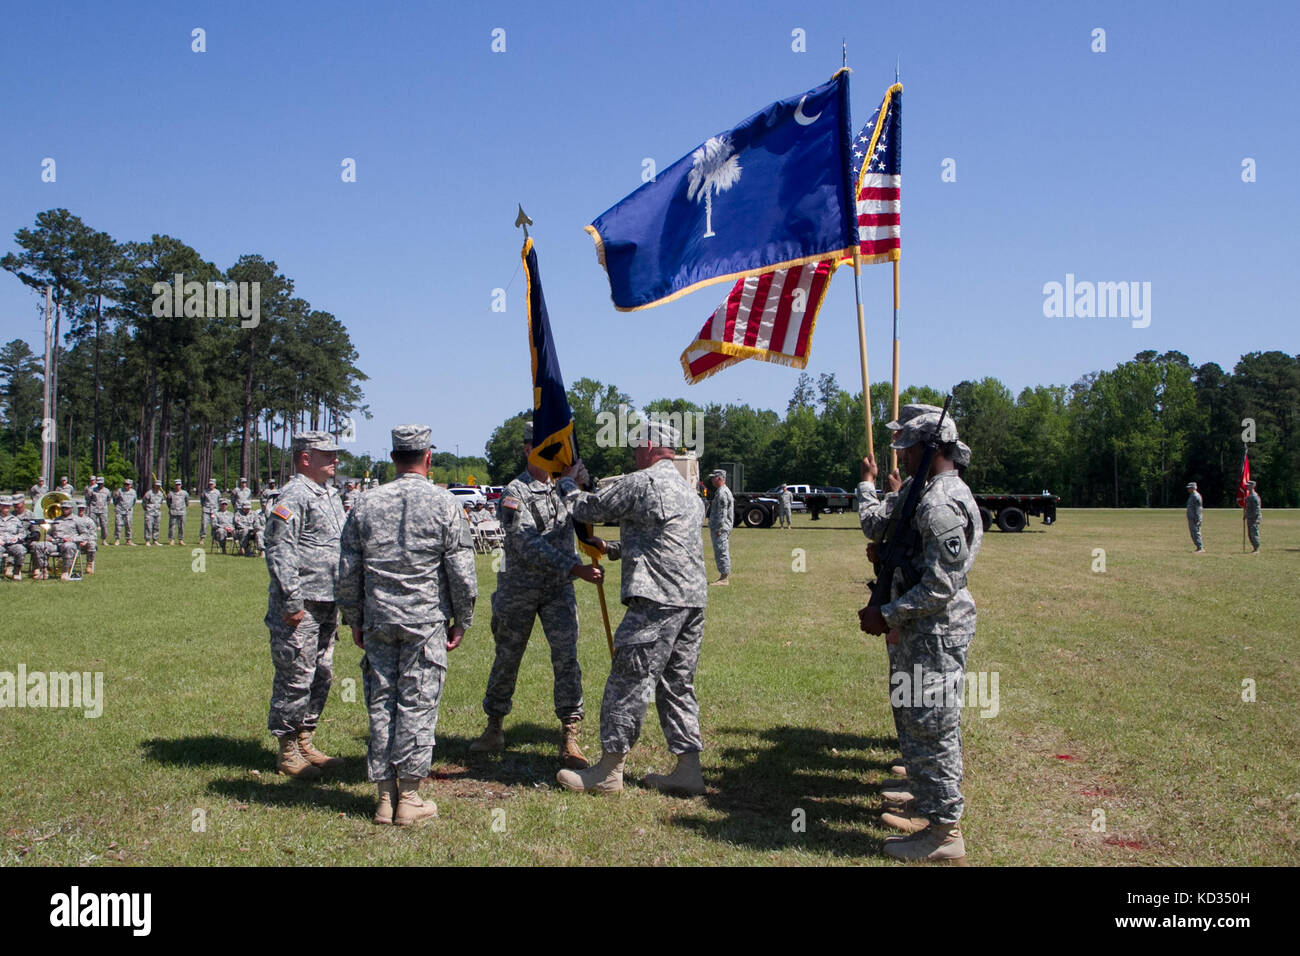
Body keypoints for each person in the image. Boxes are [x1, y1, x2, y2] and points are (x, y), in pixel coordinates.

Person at [552, 421, 709, 796]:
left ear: (652, 445)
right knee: (676, 685)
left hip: (656, 602)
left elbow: (590, 508)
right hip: (691, 603)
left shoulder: (645, 482)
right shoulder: (689, 493)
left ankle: (608, 772)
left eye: (638, 445)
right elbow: (662, 540)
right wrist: (614, 549)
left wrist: (568, 482)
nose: (633, 452)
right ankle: (689, 769)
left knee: (628, 680)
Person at [856, 409, 982, 864]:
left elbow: (941, 586)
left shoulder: (940, 502)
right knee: (919, 721)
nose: (902, 456)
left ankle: (946, 831)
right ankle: (929, 805)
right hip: (921, 631)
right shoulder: (927, 493)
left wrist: (887, 614)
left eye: (908, 448)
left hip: (934, 632)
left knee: (934, 727)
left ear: (930, 449)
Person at [338, 424, 478, 826]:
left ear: (393, 457)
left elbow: (347, 569)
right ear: (428, 458)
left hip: (380, 619)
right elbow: (462, 573)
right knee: (416, 704)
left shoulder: (365, 503)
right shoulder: (444, 504)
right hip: (424, 621)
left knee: (382, 705)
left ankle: (385, 798)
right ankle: (409, 798)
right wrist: (462, 621)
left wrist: (354, 618)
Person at [468, 421, 614, 769]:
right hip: (519, 588)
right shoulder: (513, 492)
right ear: (526, 449)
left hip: (557, 591)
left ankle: (570, 734)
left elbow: (593, 511)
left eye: (556, 447)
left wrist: (581, 485)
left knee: (566, 659)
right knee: (508, 657)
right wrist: (574, 568)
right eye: (544, 446)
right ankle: (495, 725)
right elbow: (526, 542)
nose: (552, 453)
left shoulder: (565, 488)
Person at [263, 431, 347, 779]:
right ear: (304, 458)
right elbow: (280, 549)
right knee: (295, 675)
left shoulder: (329, 494)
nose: (335, 461)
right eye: (326, 455)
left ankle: (305, 738)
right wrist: (292, 599)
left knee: (321, 674)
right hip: (301, 605)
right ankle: (287, 750)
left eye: (335, 455)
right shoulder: (294, 494)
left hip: (328, 600)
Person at [13, 497, 51, 579]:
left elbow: (36, 532)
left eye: (17, 504)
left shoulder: (30, 515)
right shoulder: (12, 515)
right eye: (14, 504)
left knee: (35, 545)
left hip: (28, 540)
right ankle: (11, 567)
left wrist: (28, 539)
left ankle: (36, 568)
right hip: (14, 540)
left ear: (23, 503)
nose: (16, 506)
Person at [707, 468, 733, 586]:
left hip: (720, 528)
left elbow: (722, 512)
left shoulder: (722, 492)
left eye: (713, 477)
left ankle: (724, 578)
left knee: (721, 550)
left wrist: (719, 528)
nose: (712, 480)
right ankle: (723, 576)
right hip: (719, 527)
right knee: (720, 550)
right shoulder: (721, 491)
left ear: (719, 478)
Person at [49, 499, 82, 580]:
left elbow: (85, 535)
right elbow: (48, 533)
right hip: (55, 543)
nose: (64, 510)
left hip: (69, 544)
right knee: (40, 546)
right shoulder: (56, 520)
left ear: (71, 509)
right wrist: (48, 538)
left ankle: (65, 572)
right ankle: (44, 570)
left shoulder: (77, 520)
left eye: (67, 508)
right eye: (63, 508)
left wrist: (72, 539)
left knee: (68, 546)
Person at [1, 496, 26, 581]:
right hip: (1, 543)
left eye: (8, 506)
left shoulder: (15, 519)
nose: (6, 508)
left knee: (21, 550)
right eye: (4, 506)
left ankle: (16, 572)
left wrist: (17, 537)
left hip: (12, 543)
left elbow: (23, 532)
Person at [74, 501, 98, 575]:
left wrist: (86, 541)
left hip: (85, 543)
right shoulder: (71, 519)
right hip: (73, 542)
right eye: (79, 508)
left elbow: (93, 535)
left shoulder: (89, 521)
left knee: (92, 544)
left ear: (85, 509)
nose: (81, 510)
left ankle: (89, 565)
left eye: (82, 508)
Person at [113, 478, 137, 546]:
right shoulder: (119, 491)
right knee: (118, 525)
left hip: (128, 512)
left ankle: (128, 540)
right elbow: (115, 500)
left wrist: (130, 507)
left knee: (128, 526)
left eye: (128, 484)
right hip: (120, 510)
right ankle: (117, 540)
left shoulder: (133, 492)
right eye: (125, 484)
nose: (126, 485)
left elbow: (134, 501)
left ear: (131, 485)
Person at [142, 479, 164, 545]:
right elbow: (144, 502)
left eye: (159, 486)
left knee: (156, 526)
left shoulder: (161, 494)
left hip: (157, 512)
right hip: (149, 513)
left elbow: (161, 502)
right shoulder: (149, 493)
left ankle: (155, 540)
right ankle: (147, 541)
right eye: (157, 485)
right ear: (154, 485)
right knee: (148, 526)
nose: (158, 487)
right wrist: (147, 509)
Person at [88, 477, 110, 544]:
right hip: (93, 510)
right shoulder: (92, 490)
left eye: (101, 484)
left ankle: (104, 540)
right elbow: (88, 499)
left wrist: (104, 506)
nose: (100, 485)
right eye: (99, 484)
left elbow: (109, 500)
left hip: (103, 510)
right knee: (92, 525)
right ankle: (92, 539)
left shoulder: (107, 491)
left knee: (104, 525)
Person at [166, 479, 189, 545]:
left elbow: (187, 502)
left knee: (181, 526)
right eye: (176, 485)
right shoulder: (171, 493)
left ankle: (181, 539)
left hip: (182, 512)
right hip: (173, 512)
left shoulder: (185, 493)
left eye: (179, 484)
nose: (178, 486)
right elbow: (168, 502)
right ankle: (172, 539)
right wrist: (171, 508)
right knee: (172, 526)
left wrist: (183, 508)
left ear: (181, 485)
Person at [1186, 481, 1204, 553]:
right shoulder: (1192, 495)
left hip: (1195, 518)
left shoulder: (1196, 496)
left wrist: (1197, 518)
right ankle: (1198, 547)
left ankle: (1200, 548)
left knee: (1196, 532)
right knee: (1193, 533)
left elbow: (1198, 508)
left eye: (1189, 488)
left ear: (1193, 488)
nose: (1188, 489)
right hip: (1191, 517)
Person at [1244, 480, 1261, 553]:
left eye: (1248, 485)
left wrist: (1255, 518)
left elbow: (1257, 508)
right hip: (1250, 517)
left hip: (1254, 518)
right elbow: (1249, 507)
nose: (1247, 487)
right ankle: (1254, 548)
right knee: (1250, 533)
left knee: (1254, 533)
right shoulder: (1250, 496)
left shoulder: (1254, 496)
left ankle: (1256, 548)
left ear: (1253, 486)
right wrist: (1246, 515)